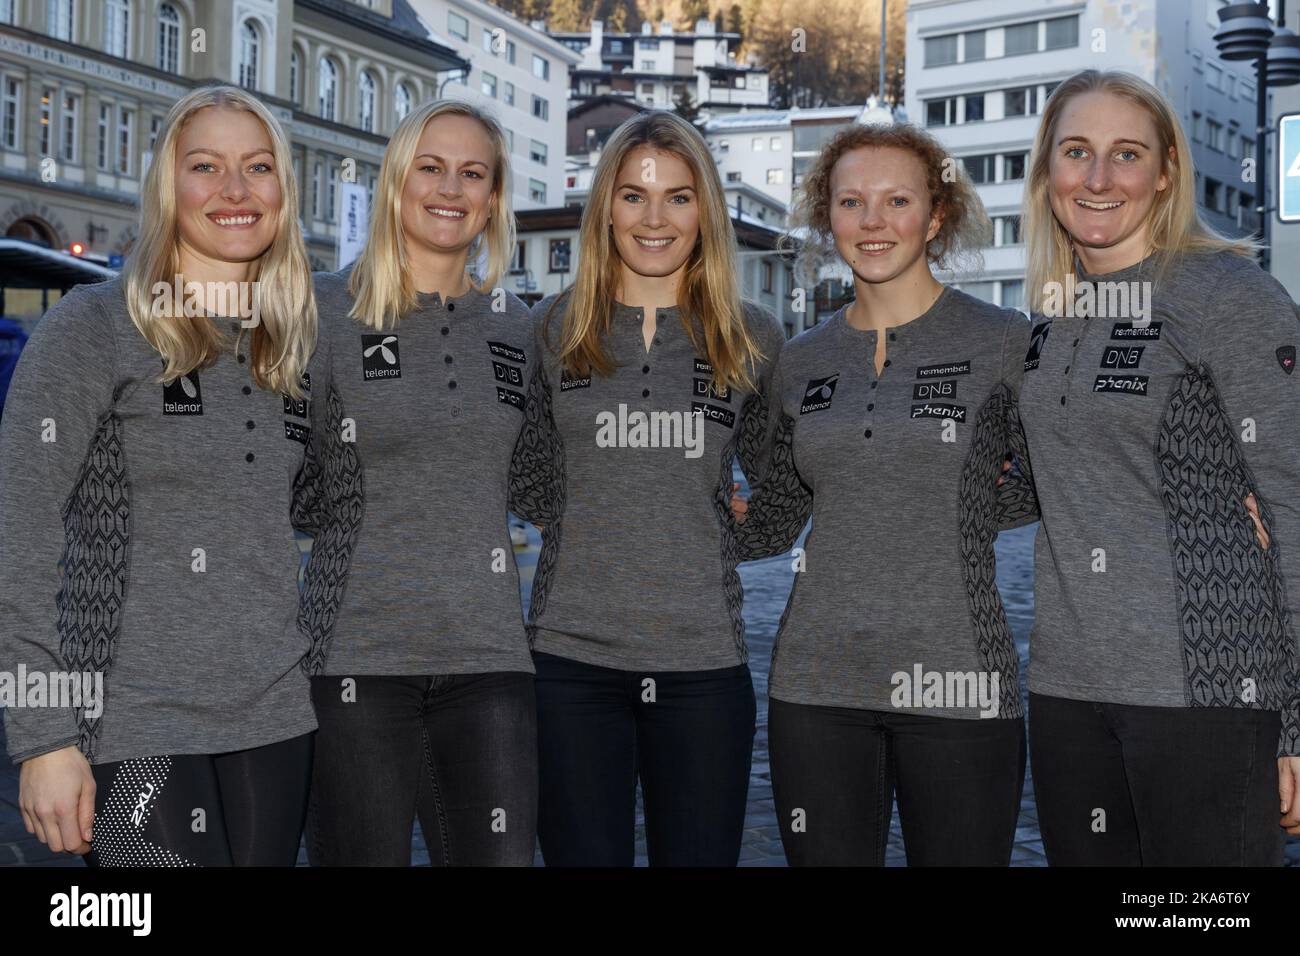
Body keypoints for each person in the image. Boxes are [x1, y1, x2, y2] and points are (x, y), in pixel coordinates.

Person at [0, 85, 324, 866]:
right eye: (205, 166)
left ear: (284, 190)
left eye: (257, 167)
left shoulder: (291, 348)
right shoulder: (94, 326)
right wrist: (41, 736)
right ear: (167, 187)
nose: (236, 191)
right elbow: (20, 532)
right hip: (128, 723)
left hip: (275, 719)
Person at [729, 122, 1036, 866]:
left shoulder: (1005, 340)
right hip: (817, 684)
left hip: (961, 679)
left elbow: (1048, 480)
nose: (872, 222)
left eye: (897, 200)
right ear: (826, 216)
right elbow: (774, 517)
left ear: (936, 216)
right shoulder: (798, 362)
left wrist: (953, 511)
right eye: (851, 202)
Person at [1018, 69, 1300, 865]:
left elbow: (1294, 499)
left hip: (1208, 688)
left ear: (1167, 171)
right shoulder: (1050, 315)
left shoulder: (1225, 295)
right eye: (1077, 152)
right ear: (1048, 171)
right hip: (1069, 692)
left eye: (1127, 154)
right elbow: (1038, 478)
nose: (1099, 178)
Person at [508, 110, 785, 866]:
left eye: (678, 196)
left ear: (707, 211)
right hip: (569, 665)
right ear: (606, 208)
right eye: (633, 195)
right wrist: (608, 512)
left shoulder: (750, 335)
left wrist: (717, 534)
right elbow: (530, 479)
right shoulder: (555, 326)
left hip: (703, 668)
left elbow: (785, 486)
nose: (655, 218)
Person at [300, 100, 538, 866]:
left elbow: (545, 477)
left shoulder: (518, 326)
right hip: (354, 663)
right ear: (398, 180)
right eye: (431, 167)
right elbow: (280, 477)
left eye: (473, 173)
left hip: (491, 662)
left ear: (494, 197)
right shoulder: (321, 310)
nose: (450, 187)